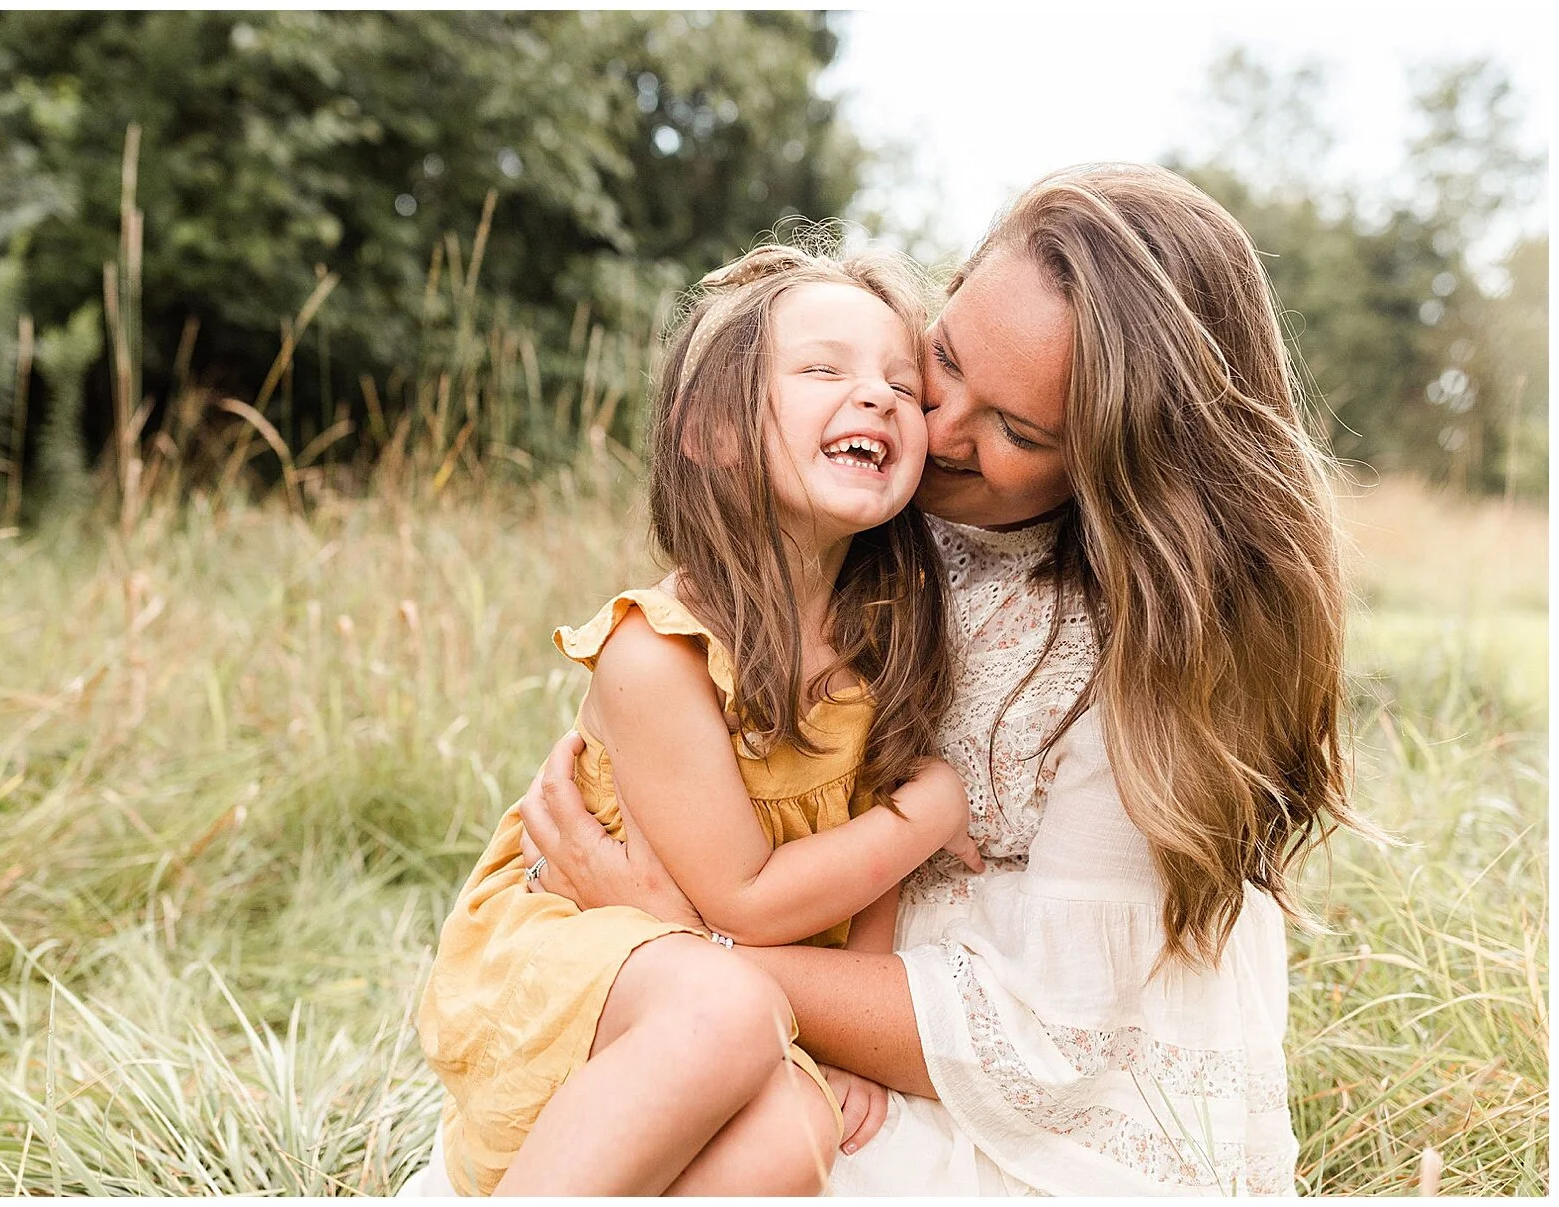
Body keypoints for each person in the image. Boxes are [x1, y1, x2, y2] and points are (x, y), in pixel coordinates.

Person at [509, 163, 1369, 1195]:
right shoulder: (861, 514)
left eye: (1019, 430)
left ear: (1115, 466)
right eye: (944, 361)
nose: (942, 428)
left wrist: (688, 941)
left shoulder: (1149, 647)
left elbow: (1046, 1044)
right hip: (785, 986)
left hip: (1018, 1073)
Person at [413, 242, 989, 1196]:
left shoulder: (884, 636)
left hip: (724, 978)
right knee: (726, 1010)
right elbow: (749, 896)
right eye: (823, 369)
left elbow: (861, 875)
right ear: (714, 429)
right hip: (590, 950)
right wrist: (927, 815)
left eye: (900, 382)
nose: (882, 396)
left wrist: (860, 1042)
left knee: (796, 1133)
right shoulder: (660, 653)